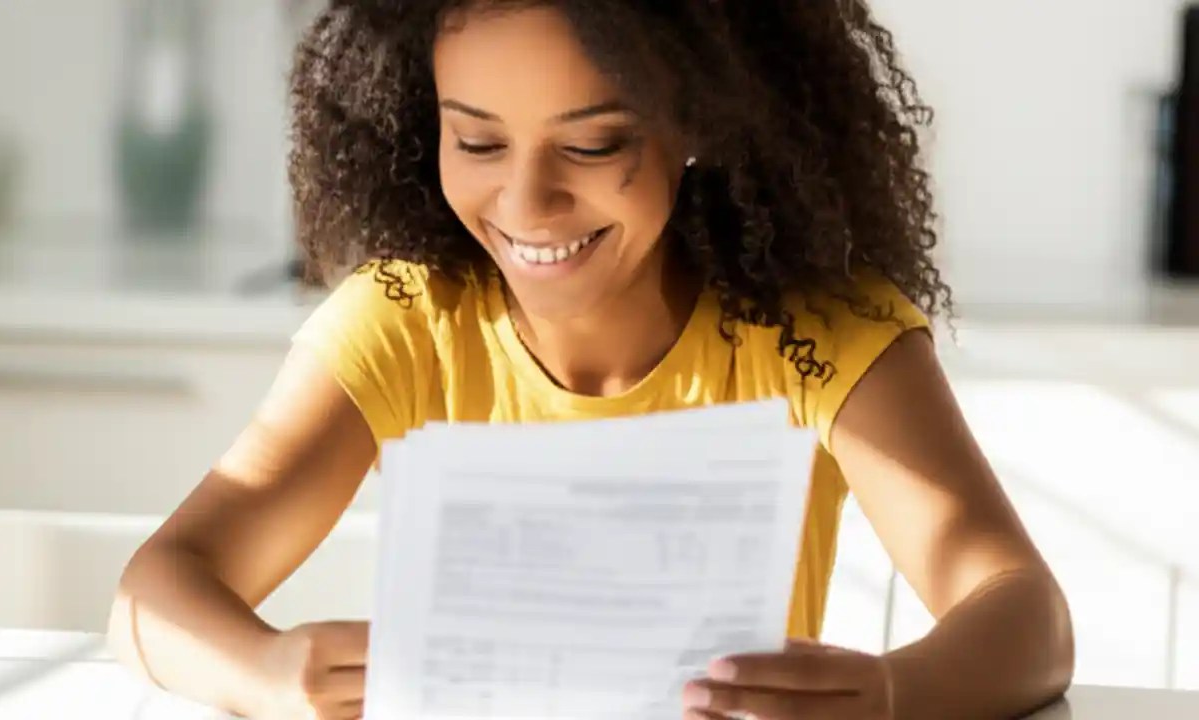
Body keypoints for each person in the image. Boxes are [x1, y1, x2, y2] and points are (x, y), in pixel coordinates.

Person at [107, 1, 1075, 718]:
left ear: (695, 122)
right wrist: (264, 673)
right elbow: (153, 593)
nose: (526, 205)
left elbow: (1025, 615)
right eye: (476, 140)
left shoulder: (812, 334)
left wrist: (894, 692)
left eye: (591, 144)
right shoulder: (408, 320)